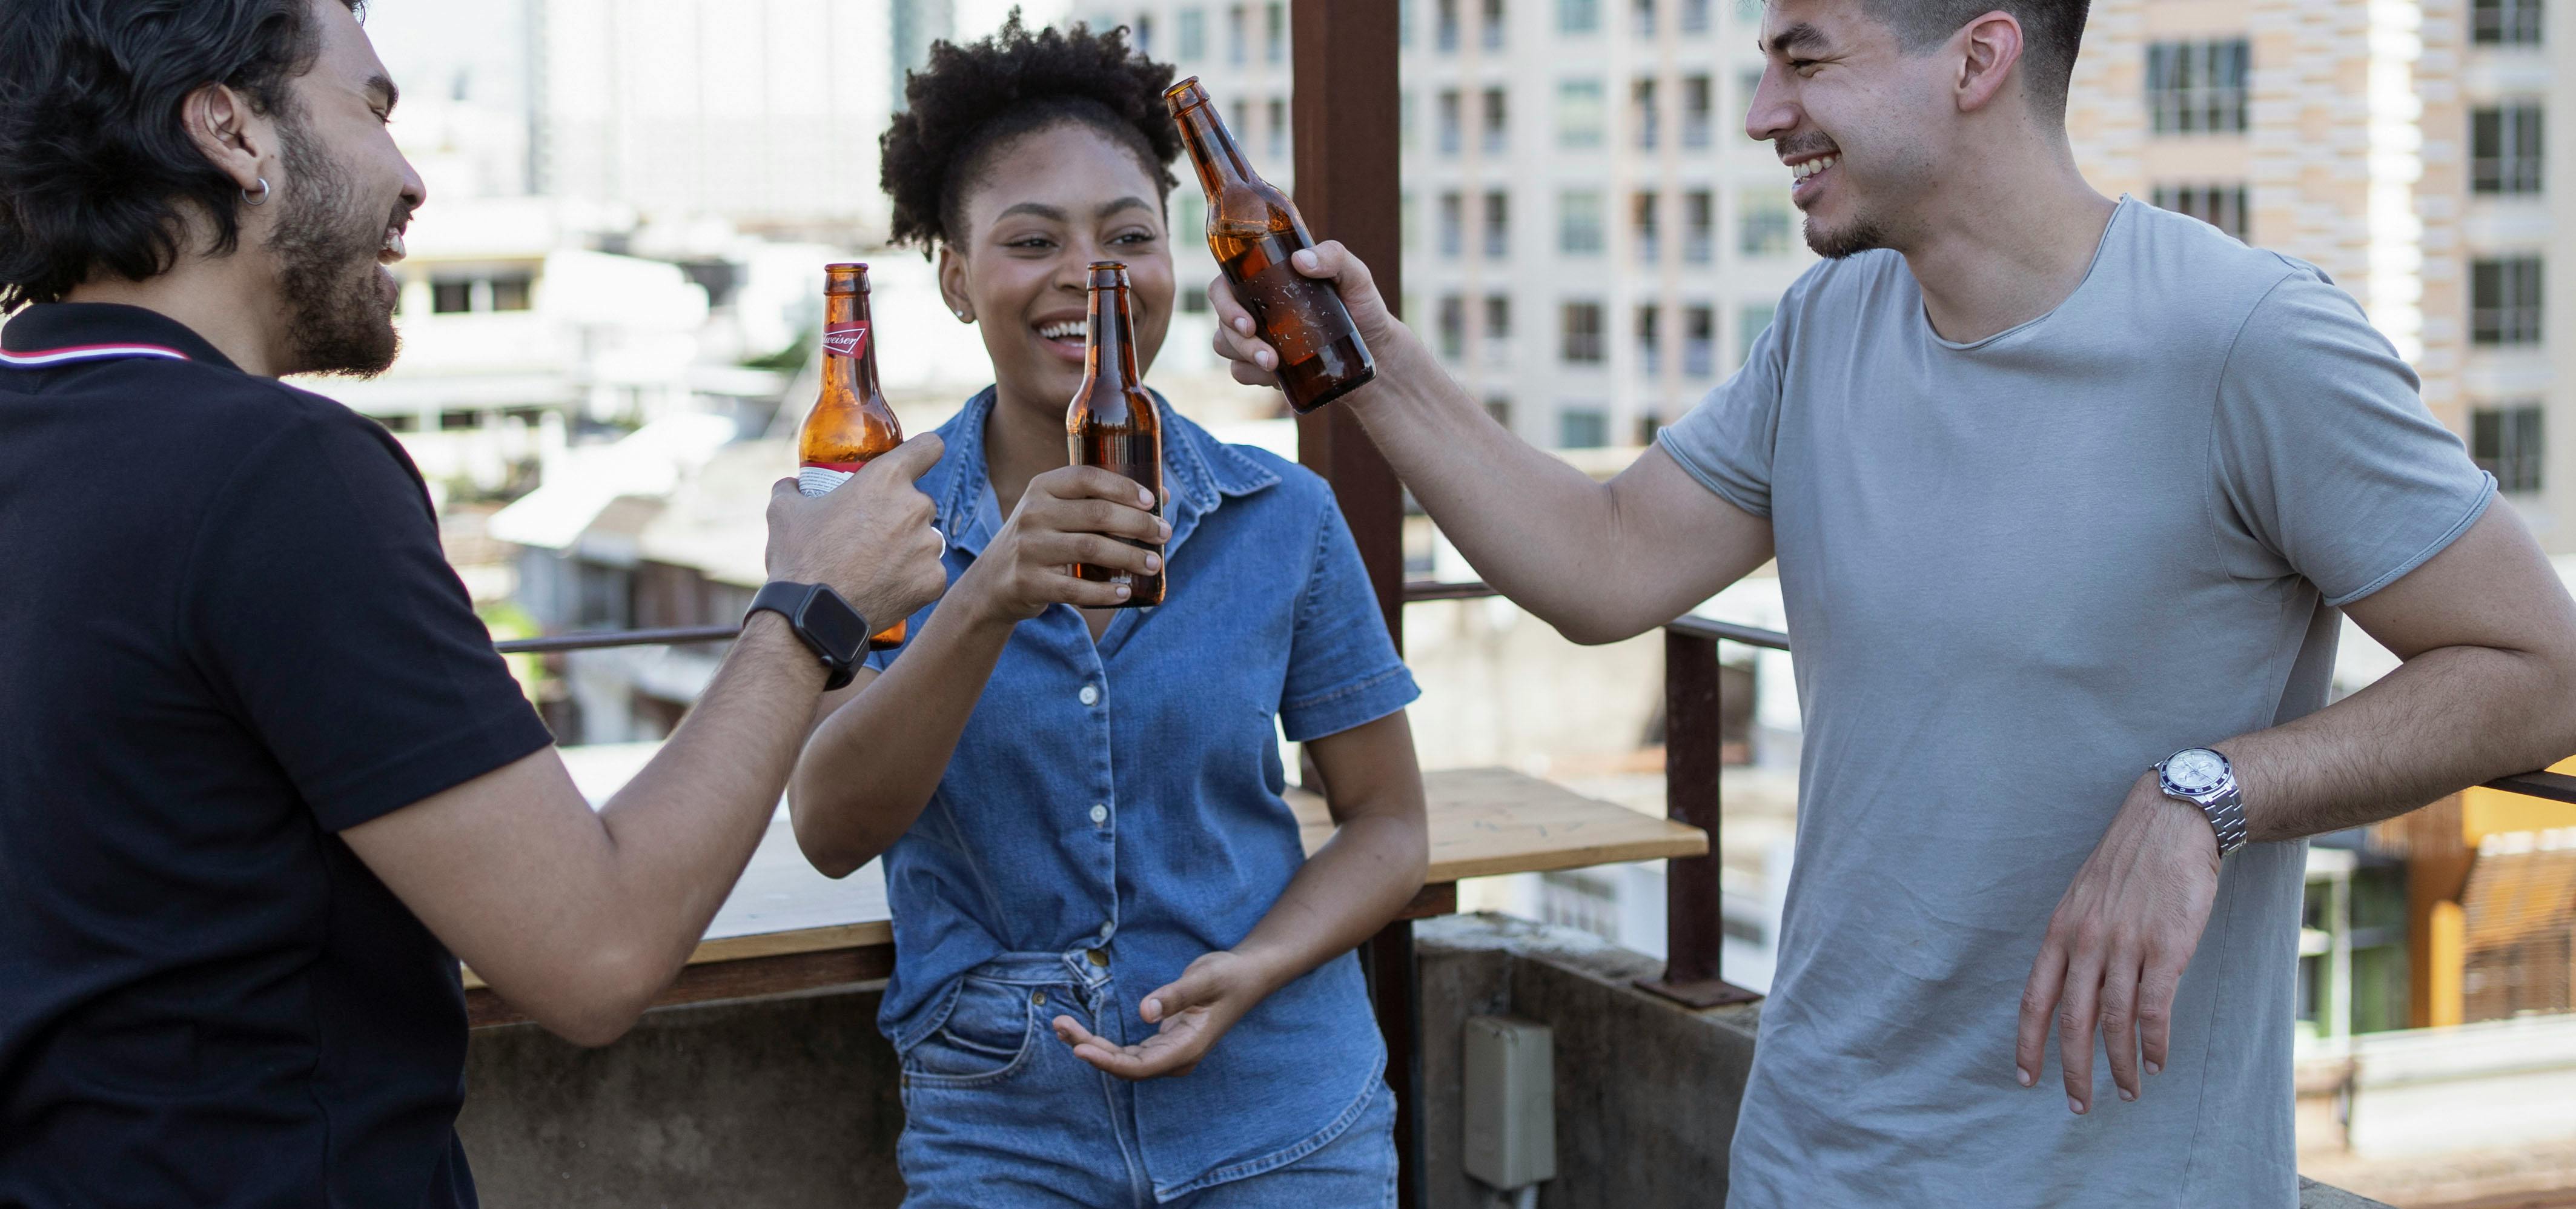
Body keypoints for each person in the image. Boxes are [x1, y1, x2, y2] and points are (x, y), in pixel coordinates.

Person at [1207, 1, 2576, 1204]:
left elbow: (2537, 665)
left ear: (1978, 58)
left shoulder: (2248, 338)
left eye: (1803, 60)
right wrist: (1373, 366)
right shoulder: (1828, 327)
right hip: (1814, 1158)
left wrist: (2208, 791)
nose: (1762, 113)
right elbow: (1604, 559)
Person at [0, 2, 948, 1204]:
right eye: (374, 111)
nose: (410, 181)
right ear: (232, 133)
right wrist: (815, 607)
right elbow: (594, 950)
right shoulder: (278, 476)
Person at [785, 19, 1428, 1208]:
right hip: (1003, 1136)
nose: (1093, 273)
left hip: (1285, 1109)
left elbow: (1390, 823)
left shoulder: (1282, 514)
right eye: (1032, 240)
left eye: (1131, 236)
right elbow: (829, 825)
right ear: (957, 275)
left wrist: (1254, 966)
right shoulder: (875, 526)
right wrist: (988, 592)